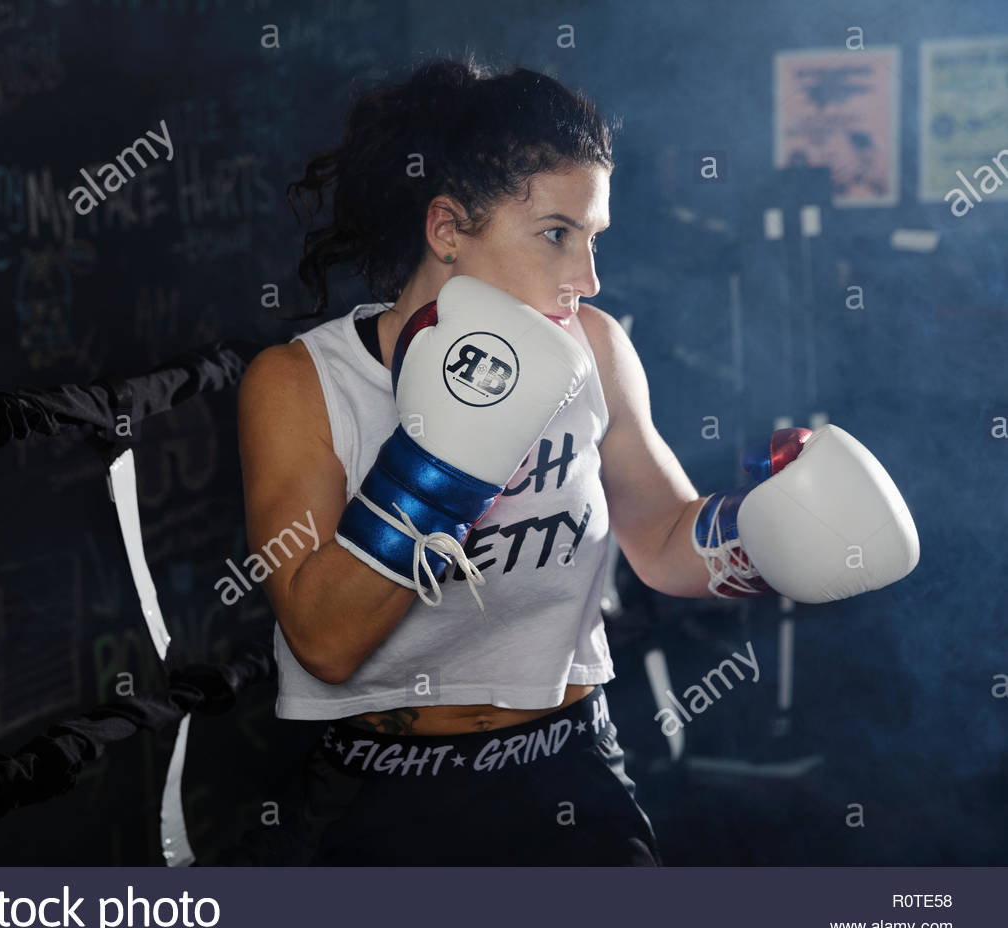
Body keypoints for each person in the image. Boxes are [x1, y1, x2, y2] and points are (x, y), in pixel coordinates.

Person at [231, 55, 917, 865]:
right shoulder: (303, 382)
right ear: (447, 228)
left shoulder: (593, 348)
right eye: (556, 235)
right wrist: (442, 464)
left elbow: (660, 536)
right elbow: (323, 641)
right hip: (377, 790)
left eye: (594, 240)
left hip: (567, 767)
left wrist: (760, 533)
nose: (586, 278)